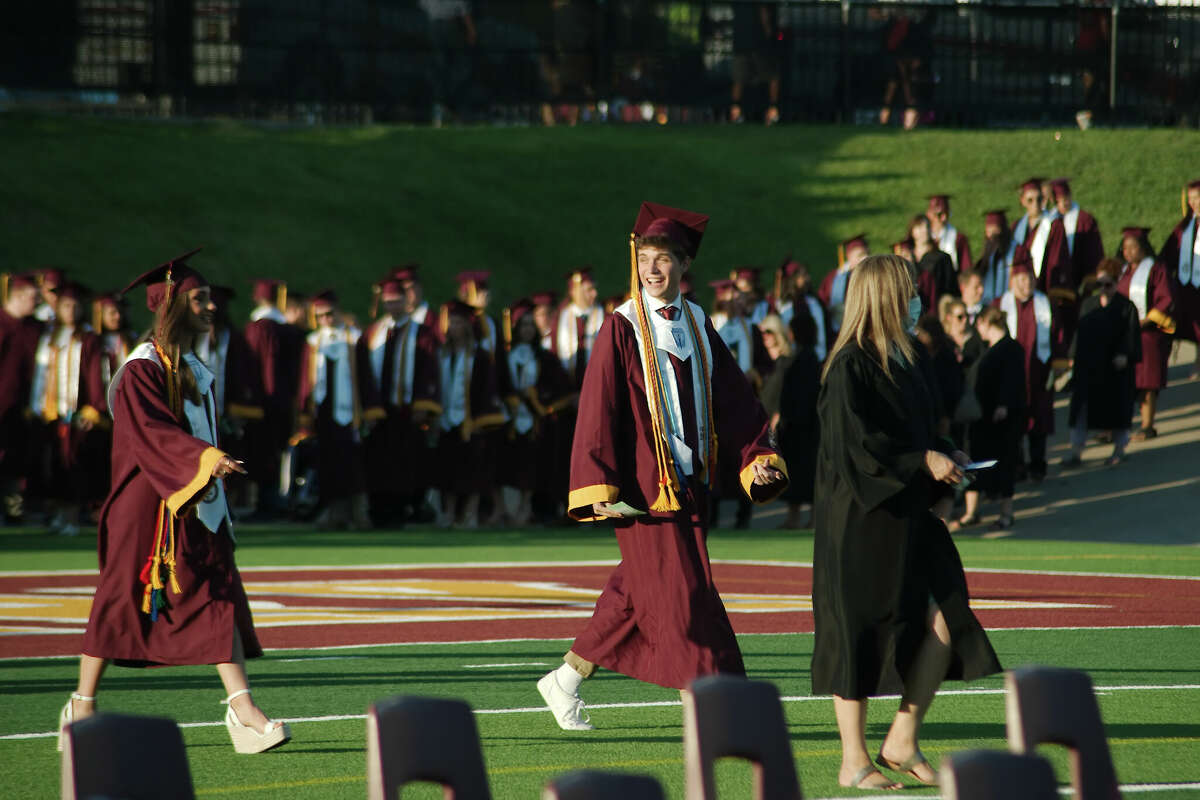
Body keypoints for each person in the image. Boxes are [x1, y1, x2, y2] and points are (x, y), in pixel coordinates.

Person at [536, 202, 787, 730]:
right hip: (646, 489)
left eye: (663, 259)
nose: (651, 269)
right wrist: (597, 484)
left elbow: (734, 400)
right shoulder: (622, 326)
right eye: (644, 258)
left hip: (691, 482)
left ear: (684, 264)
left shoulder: (698, 321)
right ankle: (712, 701)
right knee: (683, 596)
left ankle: (564, 679)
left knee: (638, 593)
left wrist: (757, 456)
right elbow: (598, 407)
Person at [64, 250, 290, 755]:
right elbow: (153, 432)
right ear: (171, 305)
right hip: (146, 504)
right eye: (200, 299)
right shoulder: (140, 369)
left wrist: (210, 465)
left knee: (218, 590)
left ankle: (243, 710)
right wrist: (205, 458)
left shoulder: (192, 367)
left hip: (195, 499)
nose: (211, 307)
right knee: (120, 599)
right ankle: (82, 703)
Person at [811, 253, 1001, 790]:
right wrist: (923, 460)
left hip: (910, 514)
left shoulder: (907, 357)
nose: (916, 300)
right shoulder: (848, 366)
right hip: (863, 520)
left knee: (948, 614)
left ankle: (902, 738)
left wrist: (946, 453)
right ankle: (853, 761)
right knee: (857, 633)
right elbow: (859, 449)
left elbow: (917, 431)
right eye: (908, 291)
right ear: (883, 297)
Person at [359, 276, 442, 527]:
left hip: (406, 410)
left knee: (405, 463)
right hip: (379, 411)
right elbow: (364, 373)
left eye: (396, 301)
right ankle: (379, 511)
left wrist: (423, 406)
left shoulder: (422, 334)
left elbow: (428, 371)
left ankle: (402, 509)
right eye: (388, 302)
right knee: (378, 462)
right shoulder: (373, 332)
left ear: (406, 301)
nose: (392, 306)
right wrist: (369, 408)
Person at [28, 281, 108, 536]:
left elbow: (96, 375)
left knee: (76, 465)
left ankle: (72, 518)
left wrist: (94, 408)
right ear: (58, 308)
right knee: (54, 466)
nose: (71, 311)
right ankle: (58, 515)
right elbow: (40, 373)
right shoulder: (49, 337)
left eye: (75, 306)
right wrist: (36, 405)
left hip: (76, 414)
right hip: (51, 413)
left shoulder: (89, 338)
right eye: (66, 306)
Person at [297, 290, 382, 529]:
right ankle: (334, 512)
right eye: (320, 316)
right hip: (323, 413)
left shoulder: (354, 340)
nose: (325, 319)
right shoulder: (313, 342)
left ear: (338, 312)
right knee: (328, 464)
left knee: (353, 464)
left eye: (329, 314)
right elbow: (305, 381)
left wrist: (370, 410)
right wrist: (305, 412)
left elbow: (366, 377)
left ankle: (359, 512)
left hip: (349, 413)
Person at [434, 300, 507, 528]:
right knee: (446, 472)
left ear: (467, 326)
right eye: (452, 322)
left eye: (459, 322)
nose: (454, 327)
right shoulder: (442, 354)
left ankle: (470, 514)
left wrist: (480, 420)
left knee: (473, 472)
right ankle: (448, 513)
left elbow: (487, 389)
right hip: (447, 421)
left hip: (471, 422)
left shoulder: (480, 356)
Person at [501, 298, 574, 525]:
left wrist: (538, 397)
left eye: (530, 325)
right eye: (522, 325)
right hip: (510, 418)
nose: (527, 330)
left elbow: (558, 387)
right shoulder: (505, 356)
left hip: (536, 419)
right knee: (507, 464)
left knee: (532, 466)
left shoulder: (544, 357)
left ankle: (527, 507)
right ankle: (505, 509)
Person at [1064, 260, 1141, 467]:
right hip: (1089, 366)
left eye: (1108, 285)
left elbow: (1132, 336)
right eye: (1100, 284)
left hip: (1114, 370)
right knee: (1080, 409)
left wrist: (1125, 355)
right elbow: (1079, 333)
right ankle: (1076, 452)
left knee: (1118, 410)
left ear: (1116, 283)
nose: (1104, 289)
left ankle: (1119, 449)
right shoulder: (1088, 305)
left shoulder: (1126, 307)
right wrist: (1072, 356)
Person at [958, 306, 1026, 532]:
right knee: (976, 461)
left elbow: (1014, 379)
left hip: (1003, 418)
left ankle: (1006, 513)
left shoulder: (1011, 347)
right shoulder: (986, 348)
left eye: (979, 323)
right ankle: (971, 511)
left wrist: (1004, 404)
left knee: (1005, 463)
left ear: (987, 322)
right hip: (983, 416)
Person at [997, 248, 1054, 483]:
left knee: (1039, 421)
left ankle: (1038, 465)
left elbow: (1058, 336)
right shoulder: (1001, 305)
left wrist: (1058, 365)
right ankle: (1017, 466)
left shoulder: (1044, 304)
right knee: (1014, 422)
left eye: (1030, 278)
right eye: (1021, 279)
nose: (1027, 283)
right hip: (1012, 376)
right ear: (1012, 281)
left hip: (1039, 373)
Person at [1116, 227, 1177, 440]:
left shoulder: (1157, 269)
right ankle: (1115, 427)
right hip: (1126, 334)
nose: (1128, 252)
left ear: (1143, 248)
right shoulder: (1123, 270)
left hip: (1148, 334)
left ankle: (1147, 426)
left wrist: (1145, 320)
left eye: (1133, 247)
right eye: (1125, 248)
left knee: (1147, 382)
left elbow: (1165, 298)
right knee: (1124, 380)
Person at [242, 279, 296, 520]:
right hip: (285, 400)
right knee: (277, 451)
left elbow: (264, 366)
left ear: (257, 298)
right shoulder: (289, 329)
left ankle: (267, 504)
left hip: (264, 400)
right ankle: (276, 501)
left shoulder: (259, 328)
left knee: (264, 452)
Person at [1012, 177, 1074, 371]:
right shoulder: (1016, 227)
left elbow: (1057, 261)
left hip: (1043, 292)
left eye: (1039, 199)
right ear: (1022, 201)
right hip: (1020, 294)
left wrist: (1048, 292)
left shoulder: (1054, 226)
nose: (1036, 204)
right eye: (1030, 200)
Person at [0, 273, 42, 524]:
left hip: (24, 406)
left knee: (17, 459)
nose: (37, 302)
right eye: (33, 297)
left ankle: (14, 509)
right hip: (2, 404)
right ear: (17, 295)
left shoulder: (35, 328)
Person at [775, 311, 822, 528]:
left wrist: (787, 419)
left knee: (802, 473)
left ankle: (803, 518)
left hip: (800, 426)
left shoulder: (802, 360)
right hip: (807, 425)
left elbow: (798, 395)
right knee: (804, 473)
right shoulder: (811, 359)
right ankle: (802, 517)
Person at [1159, 179, 1200, 378]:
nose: (1193, 203)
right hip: (1187, 286)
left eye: (1197, 197)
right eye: (1190, 198)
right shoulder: (1185, 226)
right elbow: (1168, 254)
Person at [1050, 179, 1105, 283]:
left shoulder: (1084, 219)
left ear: (1070, 196)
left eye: (1065, 199)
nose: (1063, 203)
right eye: (1059, 200)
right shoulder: (1050, 220)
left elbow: (1094, 251)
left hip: (1077, 274)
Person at [774, 258, 829, 361]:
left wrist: (820, 356)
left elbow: (820, 332)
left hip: (814, 356)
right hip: (791, 357)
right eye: (802, 276)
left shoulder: (813, 303)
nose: (807, 279)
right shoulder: (783, 306)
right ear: (792, 280)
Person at [819, 234, 869, 336]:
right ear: (849, 256)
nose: (866, 258)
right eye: (860, 255)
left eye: (867, 254)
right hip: (840, 332)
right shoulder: (834, 278)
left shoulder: (872, 275)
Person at [910, 213, 959, 313]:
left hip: (935, 308)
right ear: (912, 231)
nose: (924, 230)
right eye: (919, 227)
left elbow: (950, 288)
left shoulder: (942, 258)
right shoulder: (905, 256)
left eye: (927, 226)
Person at [974, 210, 1015, 305]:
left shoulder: (1016, 251)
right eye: (989, 232)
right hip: (987, 303)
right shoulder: (987, 252)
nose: (992, 236)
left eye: (996, 231)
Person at [926, 195, 971, 271]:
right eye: (938, 214)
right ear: (928, 214)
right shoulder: (922, 238)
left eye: (946, 213)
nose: (943, 218)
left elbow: (966, 268)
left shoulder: (958, 238)